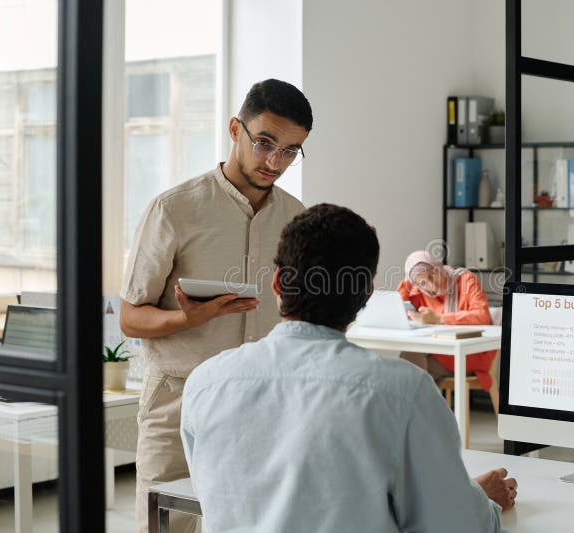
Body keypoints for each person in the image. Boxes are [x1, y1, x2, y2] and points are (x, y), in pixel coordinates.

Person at [181, 204, 517, 533]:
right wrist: (479, 500)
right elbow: (454, 524)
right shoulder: (403, 392)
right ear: (367, 294)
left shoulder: (205, 383)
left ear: (277, 284)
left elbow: (213, 495)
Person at [119, 79, 312, 533]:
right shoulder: (173, 209)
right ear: (234, 129)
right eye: (264, 142)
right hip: (178, 401)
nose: (274, 161)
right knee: (171, 525)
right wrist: (187, 318)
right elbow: (130, 316)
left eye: (290, 150)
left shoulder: (297, 217)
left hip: (261, 403)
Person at [398, 250, 498, 392]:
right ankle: (422, 410)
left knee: (410, 365)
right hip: (437, 353)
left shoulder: (465, 280)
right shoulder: (420, 292)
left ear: (438, 266)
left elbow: (482, 316)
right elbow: (399, 309)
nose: (432, 284)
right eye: (424, 282)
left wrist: (440, 319)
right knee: (411, 362)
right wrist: (408, 281)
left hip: (469, 354)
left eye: (433, 274)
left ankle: (414, 411)